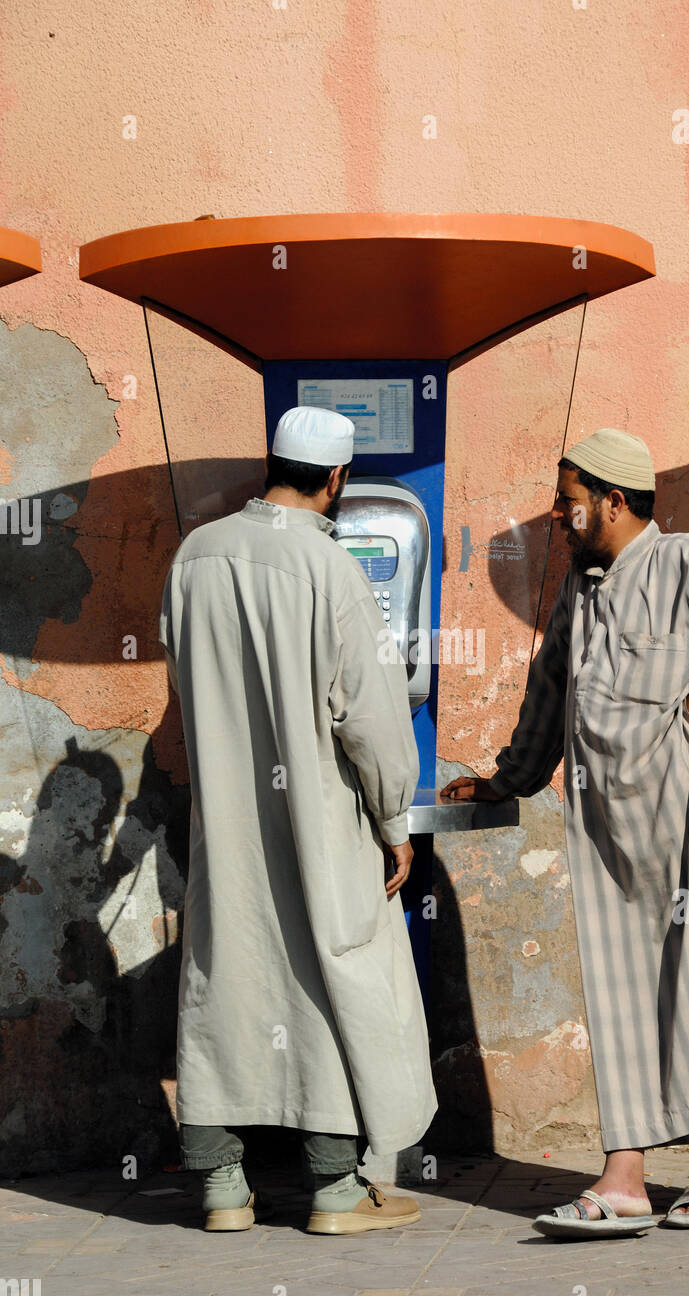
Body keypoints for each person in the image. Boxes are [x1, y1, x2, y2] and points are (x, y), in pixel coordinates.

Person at [442, 428, 689, 1237]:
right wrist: (508, 778)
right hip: (614, 831)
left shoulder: (686, 561)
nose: (556, 517)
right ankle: (626, 1178)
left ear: (613, 501)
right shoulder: (582, 588)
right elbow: (548, 689)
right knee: (623, 992)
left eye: (567, 503)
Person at [159, 405, 436, 1234]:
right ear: (338, 480)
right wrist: (394, 819)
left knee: (223, 975)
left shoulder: (193, 555)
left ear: (271, 462)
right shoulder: (330, 569)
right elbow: (374, 720)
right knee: (333, 978)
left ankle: (219, 1186)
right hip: (321, 816)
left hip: (227, 821)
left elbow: (184, 679)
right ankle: (335, 1189)